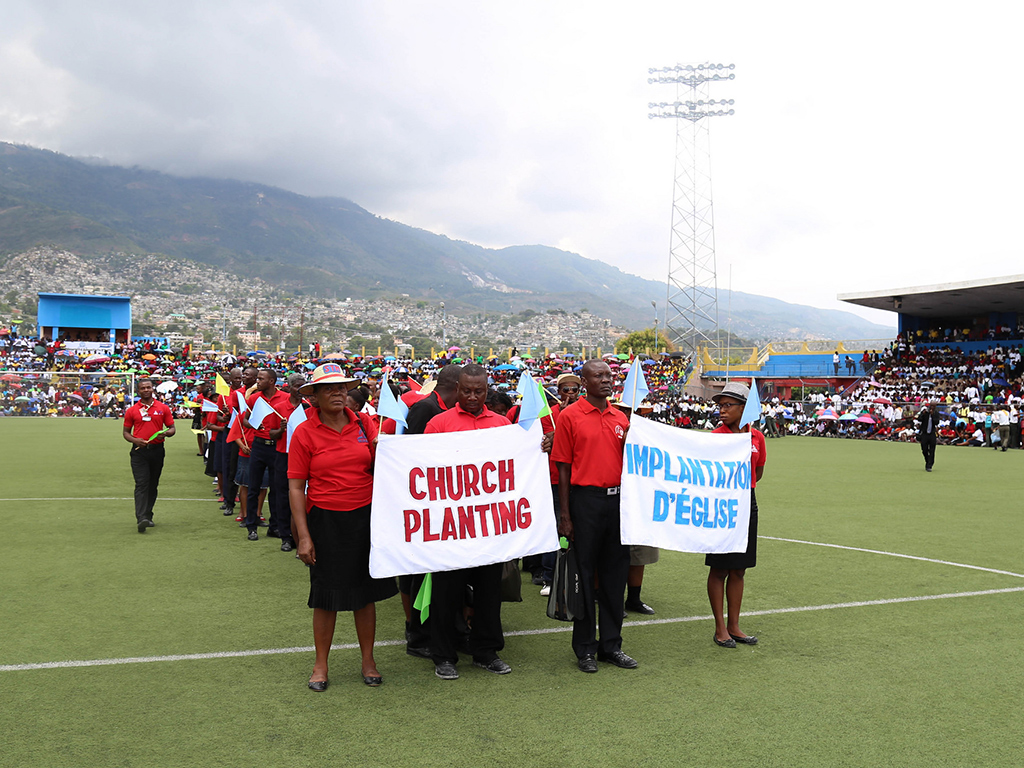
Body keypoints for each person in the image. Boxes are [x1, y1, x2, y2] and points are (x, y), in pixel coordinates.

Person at [288, 363, 398, 691]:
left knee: (365, 595)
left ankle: (368, 660)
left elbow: (384, 464)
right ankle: (320, 665)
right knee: (325, 597)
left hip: (365, 519)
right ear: (315, 396)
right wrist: (304, 537)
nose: (337, 393)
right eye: (329, 388)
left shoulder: (365, 424)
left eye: (341, 388)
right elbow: (295, 487)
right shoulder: (304, 432)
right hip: (325, 520)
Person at [423, 364, 514, 680]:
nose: (473, 396)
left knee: (490, 592)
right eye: (467, 390)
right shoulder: (438, 424)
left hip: (488, 527)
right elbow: (423, 470)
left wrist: (540, 447)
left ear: (488, 390)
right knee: (446, 593)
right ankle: (444, 656)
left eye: (480, 391)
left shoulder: (503, 425)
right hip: (450, 528)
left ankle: (486, 652)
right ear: (456, 389)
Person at [551, 359, 638, 673]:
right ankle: (585, 649)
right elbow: (562, 468)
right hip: (585, 501)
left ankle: (611, 646)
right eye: (598, 376)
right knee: (584, 577)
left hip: (618, 503)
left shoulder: (621, 418)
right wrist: (565, 514)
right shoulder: (570, 416)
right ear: (584, 382)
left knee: (616, 577)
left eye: (609, 375)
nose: (606, 380)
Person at [707, 382, 766, 648]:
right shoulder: (714, 436)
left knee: (739, 570)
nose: (722, 410)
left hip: (746, 503)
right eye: (720, 405)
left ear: (745, 408)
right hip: (721, 504)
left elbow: (759, 473)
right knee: (719, 569)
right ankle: (720, 628)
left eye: (728, 405)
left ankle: (735, 625)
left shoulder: (757, 438)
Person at [122, 377, 176, 533]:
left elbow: (172, 428)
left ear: (153, 389)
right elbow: (126, 433)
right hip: (139, 452)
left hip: (157, 451)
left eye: (148, 387)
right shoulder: (132, 410)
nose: (146, 390)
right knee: (142, 484)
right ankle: (141, 518)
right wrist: (136, 440)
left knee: (153, 484)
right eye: (142, 388)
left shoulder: (163, 408)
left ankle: (148, 515)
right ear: (138, 391)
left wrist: (165, 434)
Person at [242, 368, 290, 541]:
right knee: (254, 487)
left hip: (277, 448)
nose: (257, 382)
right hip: (259, 446)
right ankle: (251, 526)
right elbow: (245, 420)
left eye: (261, 379)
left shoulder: (285, 398)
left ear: (271, 381)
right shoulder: (255, 398)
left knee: (277, 489)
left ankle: (275, 526)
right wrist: (253, 425)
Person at [917, 402, 938, 471]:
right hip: (924, 434)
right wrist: (922, 414)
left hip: (932, 434)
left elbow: (936, 422)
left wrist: (932, 416)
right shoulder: (925, 412)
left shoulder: (936, 413)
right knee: (924, 449)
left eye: (933, 406)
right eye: (931, 405)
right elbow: (919, 419)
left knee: (932, 450)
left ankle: (929, 465)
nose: (932, 407)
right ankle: (927, 460)